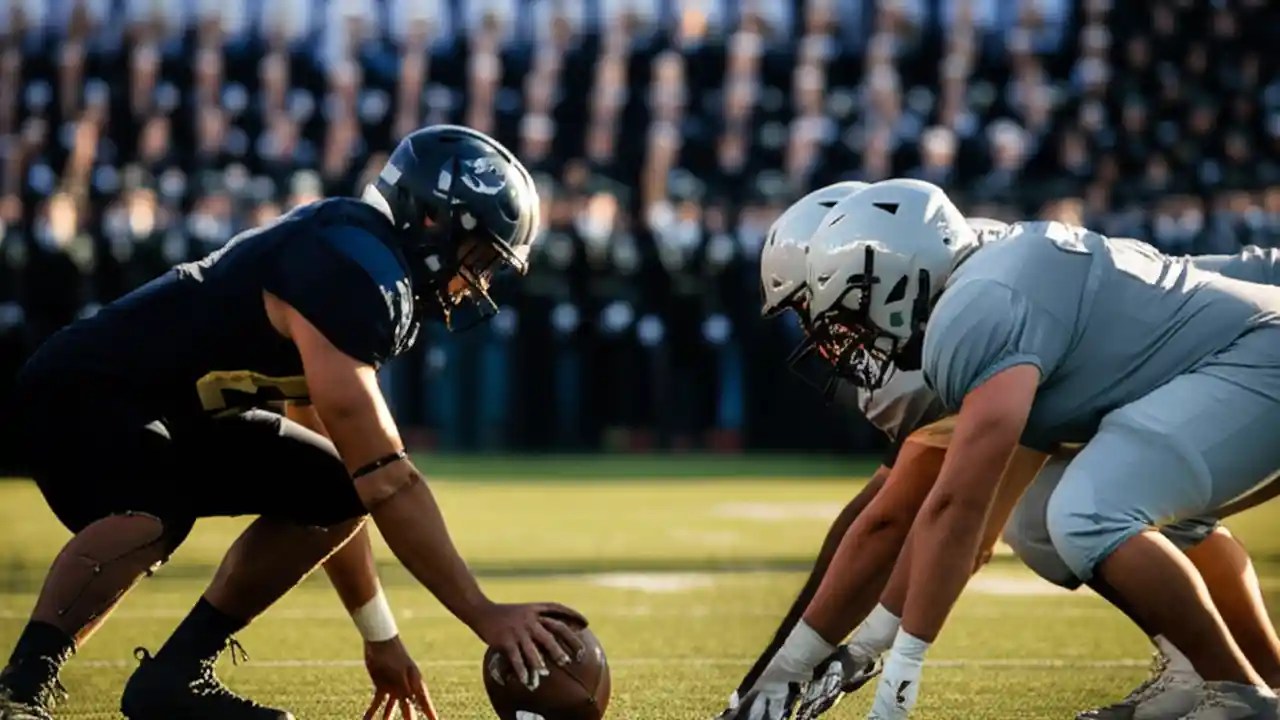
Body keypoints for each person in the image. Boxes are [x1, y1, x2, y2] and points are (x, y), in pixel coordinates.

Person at [0, 124, 589, 720]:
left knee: (329, 487)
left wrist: (379, 633)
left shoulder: (359, 258)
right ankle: (20, 688)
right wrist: (482, 612)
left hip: (164, 408)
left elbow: (350, 477)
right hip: (80, 392)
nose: (478, 281)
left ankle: (174, 678)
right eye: (480, 255)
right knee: (155, 502)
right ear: (434, 220)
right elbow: (391, 478)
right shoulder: (355, 269)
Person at [723, 179, 1280, 720]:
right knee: (1042, 518)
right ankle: (1236, 672)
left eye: (824, 302)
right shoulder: (961, 271)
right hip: (1220, 346)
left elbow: (907, 516)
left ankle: (1236, 689)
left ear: (886, 271)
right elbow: (975, 517)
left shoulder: (965, 312)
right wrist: (866, 642)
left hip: (1251, 351)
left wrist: (815, 660)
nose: (824, 334)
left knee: (1089, 511)